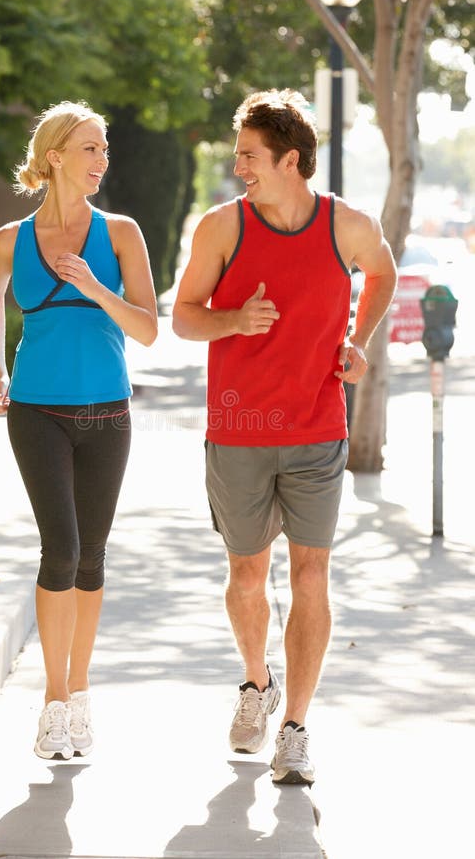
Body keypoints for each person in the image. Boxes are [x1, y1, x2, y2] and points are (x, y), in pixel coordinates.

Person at [172, 89, 397, 786]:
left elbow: (382, 270)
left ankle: (294, 727)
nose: (238, 166)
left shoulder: (345, 227)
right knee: (246, 575)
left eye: (249, 155)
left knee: (310, 573)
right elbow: (183, 316)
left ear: (289, 159)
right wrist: (232, 321)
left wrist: (356, 340)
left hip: (316, 430)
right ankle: (254, 683)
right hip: (238, 430)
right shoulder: (221, 228)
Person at [0, 101, 157, 760]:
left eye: (104, 148)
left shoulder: (120, 235)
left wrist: (95, 287)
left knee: (91, 555)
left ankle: (79, 694)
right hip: (37, 411)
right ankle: (53, 702)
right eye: (90, 148)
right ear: (55, 155)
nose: (101, 160)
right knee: (60, 548)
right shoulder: (7, 240)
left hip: (107, 412)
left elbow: (146, 327)